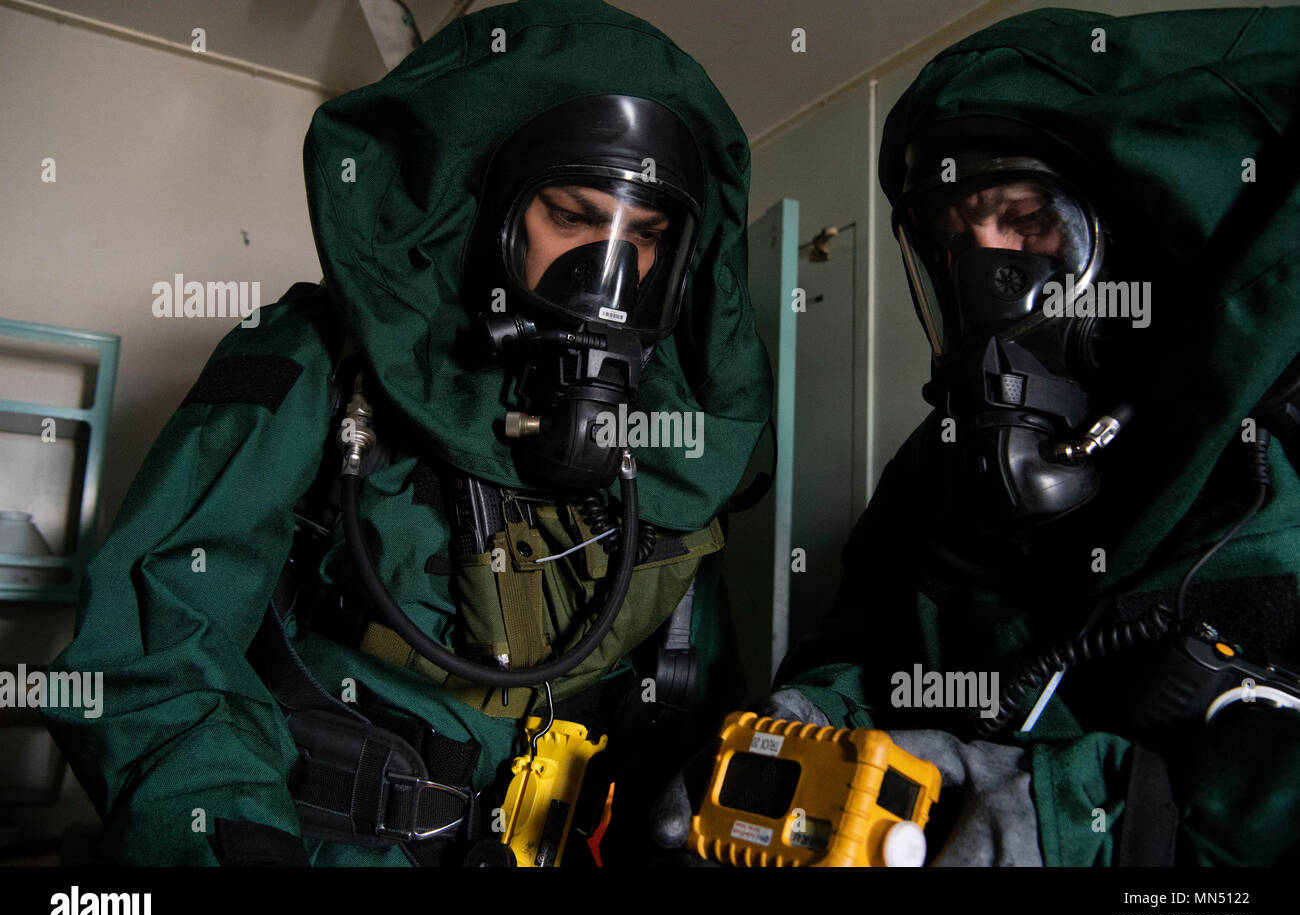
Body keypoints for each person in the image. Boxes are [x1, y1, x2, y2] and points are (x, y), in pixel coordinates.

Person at [43, 0, 770, 867]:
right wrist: (225, 837)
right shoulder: (319, 357)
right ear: (490, 213)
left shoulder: (675, 445)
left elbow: (694, 703)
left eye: (645, 237)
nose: (611, 269)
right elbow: (154, 643)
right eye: (572, 218)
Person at [724, 6, 1300, 866]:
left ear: (1127, 232)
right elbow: (864, 651)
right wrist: (809, 722)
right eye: (954, 243)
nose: (989, 279)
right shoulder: (936, 470)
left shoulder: (1272, 441)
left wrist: (1095, 826)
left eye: (1027, 223)